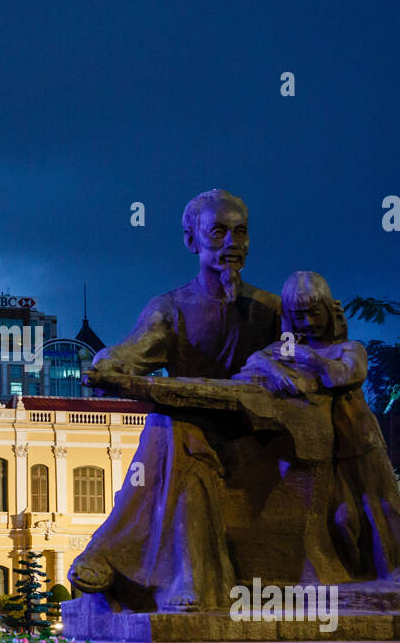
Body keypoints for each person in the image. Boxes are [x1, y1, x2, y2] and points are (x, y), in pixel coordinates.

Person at [70, 190, 282, 611]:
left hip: (255, 434)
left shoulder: (270, 309)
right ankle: (189, 575)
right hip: (192, 434)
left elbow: (300, 366)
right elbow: (137, 350)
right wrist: (110, 360)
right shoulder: (171, 307)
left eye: (240, 232)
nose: (231, 243)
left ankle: (111, 550)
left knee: (175, 429)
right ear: (192, 240)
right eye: (218, 232)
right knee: (175, 426)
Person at [235, 271, 400, 581]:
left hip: (360, 444)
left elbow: (342, 375)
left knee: (383, 503)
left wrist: (307, 358)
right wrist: (274, 369)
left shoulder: (348, 349)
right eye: (299, 316)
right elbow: (254, 361)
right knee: (340, 516)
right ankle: (357, 572)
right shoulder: (288, 350)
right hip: (319, 449)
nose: (309, 322)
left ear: (329, 309)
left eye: (315, 312)